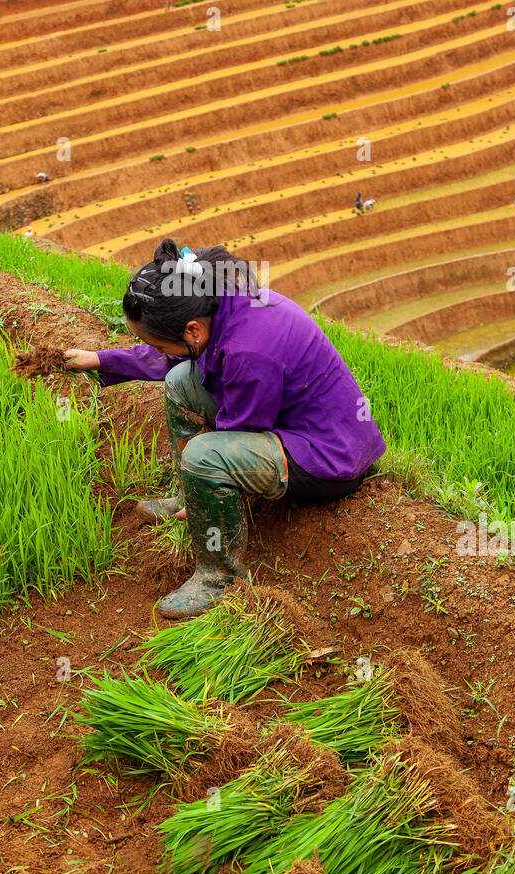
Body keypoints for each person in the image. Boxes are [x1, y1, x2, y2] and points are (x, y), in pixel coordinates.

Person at [63, 239, 386, 619]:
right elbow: (173, 356)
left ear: (192, 331)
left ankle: (220, 577)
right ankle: (189, 496)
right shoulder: (218, 301)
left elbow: (237, 434)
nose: (153, 348)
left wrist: (208, 501)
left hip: (327, 457)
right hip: (295, 422)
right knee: (182, 380)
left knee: (204, 456)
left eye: (153, 341)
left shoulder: (249, 350)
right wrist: (101, 359)